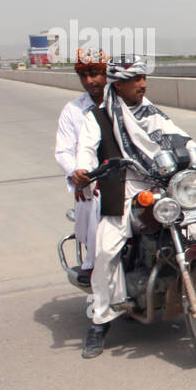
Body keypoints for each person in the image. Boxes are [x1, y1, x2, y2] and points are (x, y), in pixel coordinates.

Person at [71, 57, 196, 359]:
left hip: (162, 185)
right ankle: (100, 321)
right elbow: (86, 151)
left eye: (143, 77)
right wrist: (83, 170)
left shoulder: (151, 112)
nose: (143, 84)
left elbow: (180, 137)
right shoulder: (98, 117)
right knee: (105, 251)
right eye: (136, 79)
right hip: (125, 189)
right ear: (118, 84)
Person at [54, 56, 108, 285]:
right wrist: (77, 173)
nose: (89, 81)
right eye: (84, 76)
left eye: (94, 74)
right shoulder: (73, 110)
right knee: (92, 199)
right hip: (92, 178)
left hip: (129, 173)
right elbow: (64, 150)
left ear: (107, 74)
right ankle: (92, 262)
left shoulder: (123, 101)